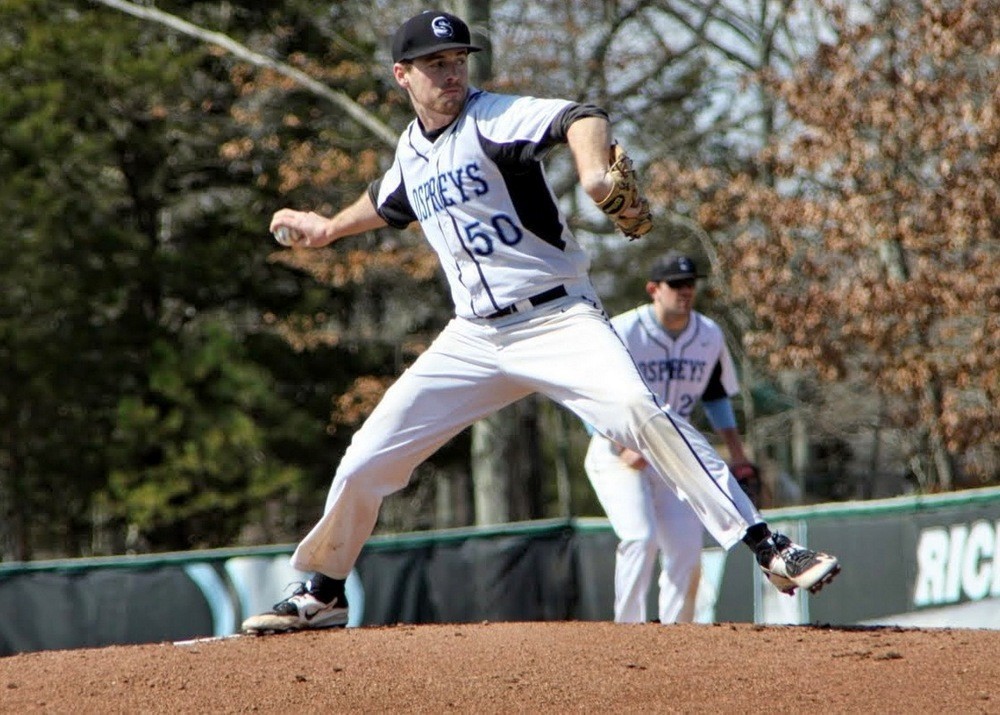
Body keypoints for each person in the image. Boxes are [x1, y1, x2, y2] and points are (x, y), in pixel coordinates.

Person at [241, 10, 840, 634]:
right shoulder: (410, 151)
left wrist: (593, 172)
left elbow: (580, 116)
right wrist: (329, 229)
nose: (451, 73)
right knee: (367, 457)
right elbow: (388, 197)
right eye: (435, 64)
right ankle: (325, 590)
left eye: (458, 60)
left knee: (638, 410)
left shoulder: (492, 118)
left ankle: (768, 546)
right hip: (475, 336)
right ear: (402, 75)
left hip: (556, 317)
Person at [584, 252, 760, 624]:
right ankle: (628, 630)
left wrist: (738, 455)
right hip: (617, 455)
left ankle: (676, 638)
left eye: (690, 283)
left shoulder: (708, 334)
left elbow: (715, 397)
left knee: (686, 550)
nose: (685, 290)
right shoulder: (623, 330)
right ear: (654, 289)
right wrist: (621, 444)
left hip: (674, 455)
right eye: (676, 284)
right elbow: (588, 394)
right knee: (640, 538)